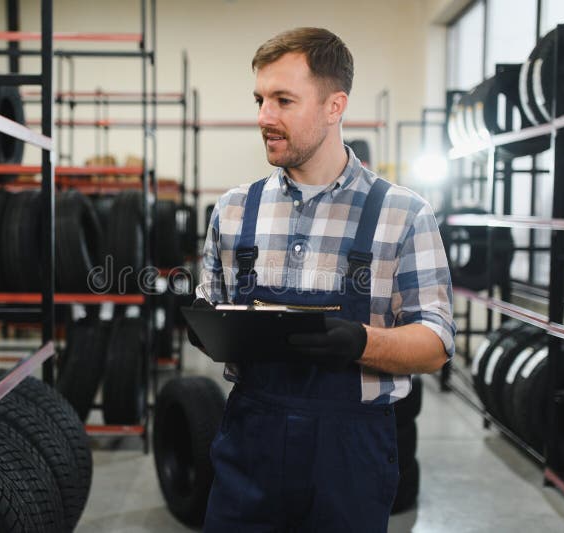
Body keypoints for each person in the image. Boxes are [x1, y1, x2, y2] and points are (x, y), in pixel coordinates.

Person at [193, 27, 456, 532]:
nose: (264, 117)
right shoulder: (233, 210)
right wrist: (204, 324)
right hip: (250, 443)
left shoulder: (403, 214)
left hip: (350, 456)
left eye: (283, 100)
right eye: (260, 99)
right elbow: (212, 305)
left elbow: (436, 343)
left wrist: (361, 341)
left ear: (335, 106)